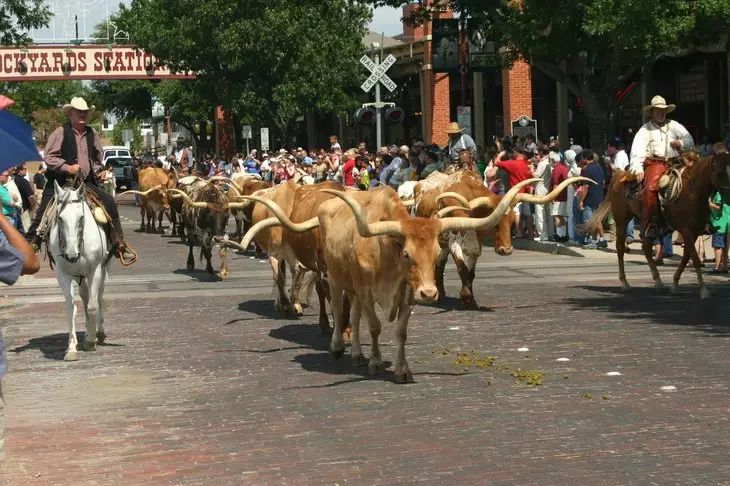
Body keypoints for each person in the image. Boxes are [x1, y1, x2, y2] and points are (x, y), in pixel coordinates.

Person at [25, 97, 134, 260]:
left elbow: (97, 158)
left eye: (85, 112)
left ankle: (119, 243)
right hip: (61, 182)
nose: (83, 114)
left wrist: (99, 171)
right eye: (79, 111)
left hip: (86, 182)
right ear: (71, 114)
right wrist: (67, 167)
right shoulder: (60, 131)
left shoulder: (93, 133)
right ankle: (31, 244)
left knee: (109, 202)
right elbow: (49, 157)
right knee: (45, 208)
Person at [629, 95, 694, 239]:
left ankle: (701, 219)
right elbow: (637, 151)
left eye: (663, 110)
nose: (660, 113)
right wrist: (638, 168)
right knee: (651, 189)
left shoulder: (674, 125)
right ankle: (651, 224)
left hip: (675, 162)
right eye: (657, 111)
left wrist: (680, 143)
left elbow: (689, 139)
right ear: (652, 112)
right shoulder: (645, 130)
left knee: (694, 181)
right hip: (655, 163)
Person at [578, 151, 608, 248]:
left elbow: (585, 187)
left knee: (591, 221)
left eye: (582, 158)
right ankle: (597, 240)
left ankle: (597, 240)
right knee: (596, 219)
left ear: (586, 158)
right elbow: (603, 182)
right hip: (599, 197)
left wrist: (581, 200)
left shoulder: (587, 169)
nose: (581, 160)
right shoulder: (599, 167)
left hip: (590, 198)